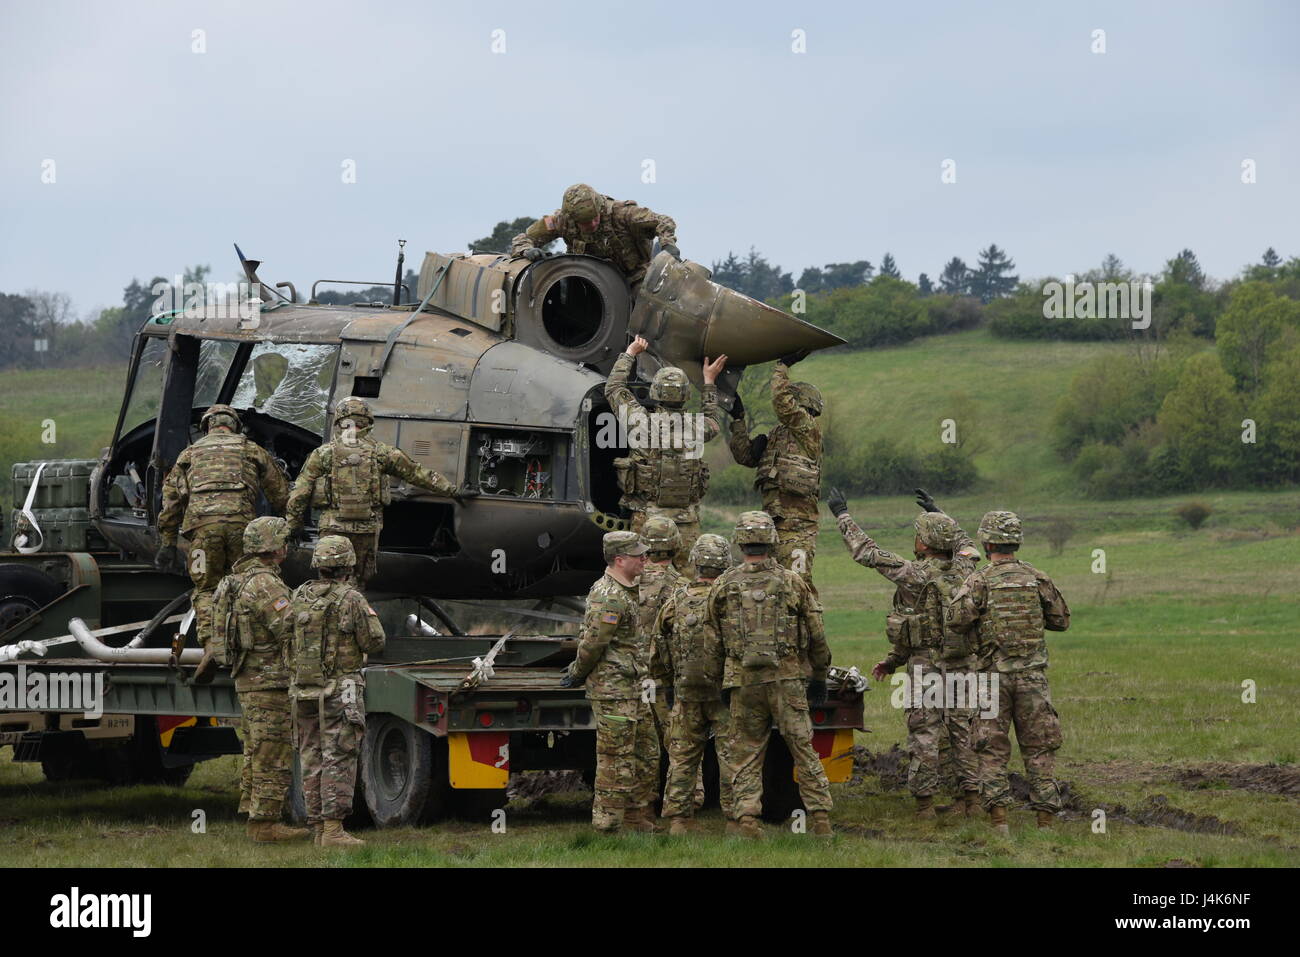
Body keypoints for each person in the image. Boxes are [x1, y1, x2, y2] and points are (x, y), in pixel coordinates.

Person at [827, 487, 982, 820]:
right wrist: (942, 515)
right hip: (965, 666)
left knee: (925, 734)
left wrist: (843, 515)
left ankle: (925, 806)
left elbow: (866, 552)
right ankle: (971, 802)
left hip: (925, 666)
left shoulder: (914, 574)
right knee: (964, 731)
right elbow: (967, 546)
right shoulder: (969, 570)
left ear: (923, 544)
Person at [946, 510, 1071, 836]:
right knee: (1040, 749)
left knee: (991, 750)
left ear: (986, 543)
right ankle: (1045, 823)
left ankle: (999, 823)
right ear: (1017, 541)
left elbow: (956, 620)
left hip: (990, 679)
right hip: (1032, 678)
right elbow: (1060, 620)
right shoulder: (1037, 578)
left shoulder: (980, 580)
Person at [708, 511, 832, 838]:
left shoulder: (724, 584)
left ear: (739, 542)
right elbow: (817, 633)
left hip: (742, 681)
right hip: (786, 679)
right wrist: (819, 674)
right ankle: (819, 818)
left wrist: (722, 680)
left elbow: (711, 641)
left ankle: (747, 818)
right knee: (802, 748)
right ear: (772, 540)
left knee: (746, 751)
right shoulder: (793, 582)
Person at [156, 403, 288, 680]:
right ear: (234, 425)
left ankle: (212, 647)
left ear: (207, 426)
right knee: (244, 585)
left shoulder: (189, 454)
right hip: (242, 530)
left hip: (203, 531)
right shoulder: (251, 449)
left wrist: (167, 542)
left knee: (206, 589)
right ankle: (249, 647)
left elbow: (170, 503)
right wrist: (290, 526)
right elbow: (279, 493)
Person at [286, 396, 465, 586]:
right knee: (358, 583)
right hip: (367, 530)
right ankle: (354, 611)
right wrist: (452, 490)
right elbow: (418, 474)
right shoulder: (382, 453)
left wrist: (294, 526)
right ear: (368, 422)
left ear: (339, 421)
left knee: (329, 581)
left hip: (332, 528)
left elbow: (300, 493)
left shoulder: (323, 454)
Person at [210, 516, 307, 842]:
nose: (286, 547)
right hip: (270, 681)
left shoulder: (235, 580)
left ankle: (253, 812)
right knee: (272, 752)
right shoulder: (265, 584)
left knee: (255, 749)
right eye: (283, 541)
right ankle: (265, 825)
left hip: (250, 678)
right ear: (274, 547)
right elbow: (291, 627)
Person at [290, 535, 386, 848]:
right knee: (339, 754)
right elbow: (374, 641)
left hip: (304, 689)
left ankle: (318, 828)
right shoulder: (351, 598)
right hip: (340, 688)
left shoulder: (300, 595)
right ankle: (333, 831)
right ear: (347, 565)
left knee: (311, 755)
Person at [561, 530, 659, 834]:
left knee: (646, 752)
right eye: (637, 555)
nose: (644, 559)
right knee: (615, 757)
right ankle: (607, 824)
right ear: (619, 559)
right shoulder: (609, 596)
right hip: (613, 689)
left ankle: (635, 815)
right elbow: (593, 643)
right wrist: (577, 672)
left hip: (634, 686)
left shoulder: (628, 588)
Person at [605, 334, 726, 570]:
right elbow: (713, 419)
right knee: (686, 581)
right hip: (687, 521)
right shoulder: (697, 426)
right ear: (685, 396)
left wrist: (630, 353)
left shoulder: (640, 422)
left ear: (656, 392)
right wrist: (709, 381)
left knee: (646, 578)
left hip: (647, 519)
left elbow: (614, 388)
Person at [653, 533, 737, 834]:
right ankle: (736, 821)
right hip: (725, 692)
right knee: (731, 756)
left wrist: (668, 684)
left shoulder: (676, 599)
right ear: (726, 563)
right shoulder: (731, 598)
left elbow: (658, 646)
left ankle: (679, 820)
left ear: (694, 563)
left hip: (686, 689)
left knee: (683, 756)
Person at [727, 350, 824, 591]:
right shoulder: (778, 434)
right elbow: (745, 456)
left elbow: (781, 402)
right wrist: (738, 419)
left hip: (797, 528)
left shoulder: (808, 430)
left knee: (798, 587)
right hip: (770, 526)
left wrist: (782, 366)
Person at [510, 183, 679, 292]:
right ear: (573, 219)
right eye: (584, 222)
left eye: (595, 218)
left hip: (635, 279)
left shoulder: (624, 214)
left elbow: (663, 221)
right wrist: (527, 250)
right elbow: (525, 237)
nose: (591, 224)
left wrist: (668, 245)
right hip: (589, 283)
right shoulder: (560, 221)